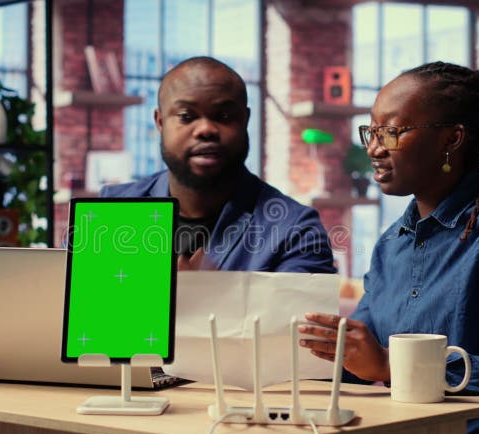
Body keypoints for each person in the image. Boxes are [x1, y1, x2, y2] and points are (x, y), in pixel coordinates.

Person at [299, 61, 479, 434]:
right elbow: (358, 363)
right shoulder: (391, 244)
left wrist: (394, 365)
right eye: (372, 131)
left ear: (452, 139)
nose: (374, 148)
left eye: (392, 131)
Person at [102, 56, 336, 274]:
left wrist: (209, 294)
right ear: (160, 122)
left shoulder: (296, 231)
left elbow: (299, 318)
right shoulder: (110, 211)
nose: (206, 129)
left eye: (223, 116)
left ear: (244, 120)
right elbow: (75, 309)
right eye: (186, 116)